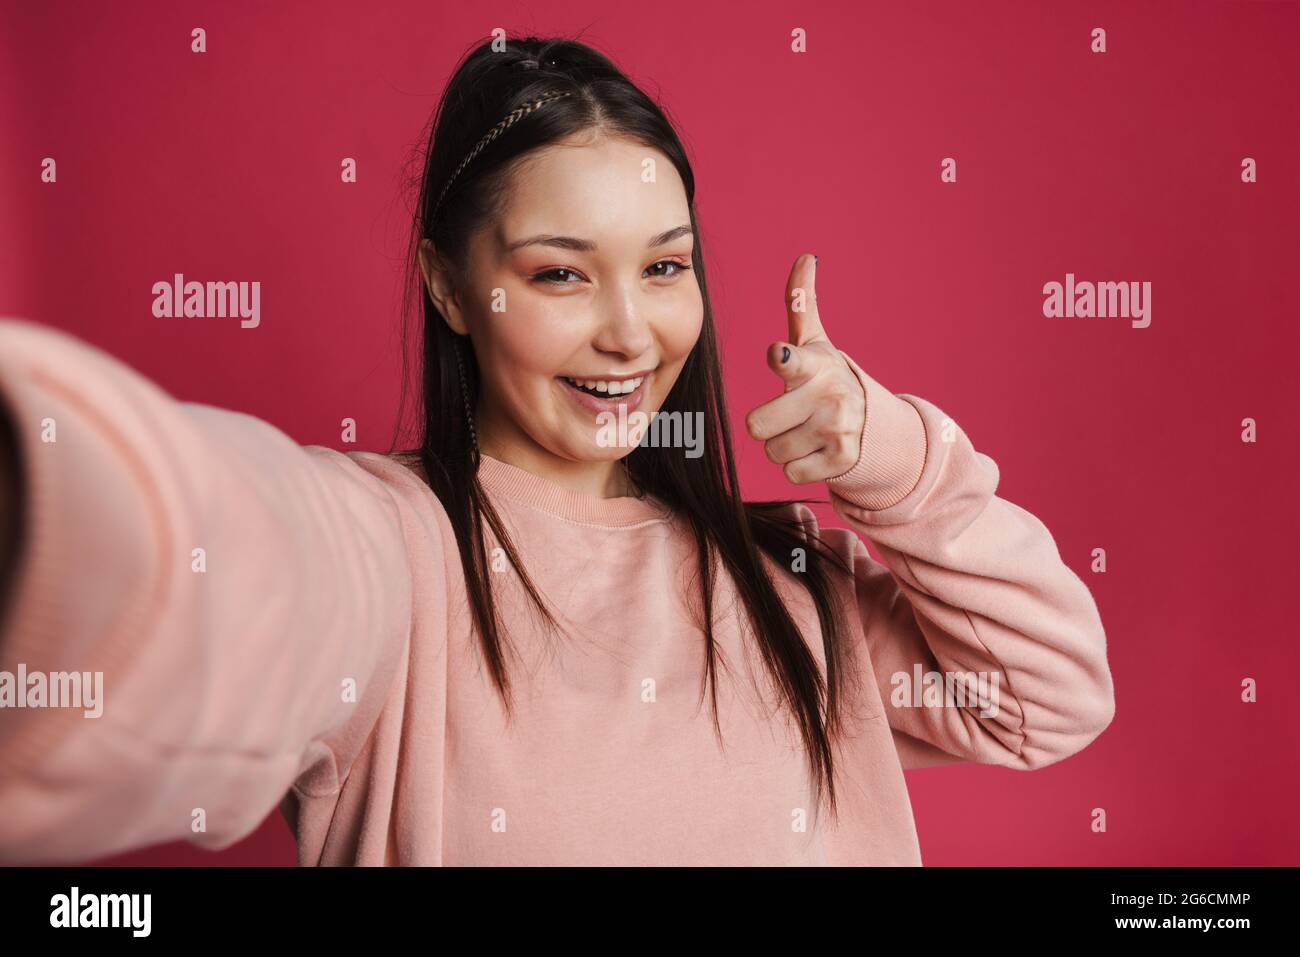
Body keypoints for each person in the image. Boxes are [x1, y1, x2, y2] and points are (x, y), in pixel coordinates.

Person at [0, 36, 1114, 866]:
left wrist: (894, 458)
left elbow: (1045, 696)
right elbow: (227, 558)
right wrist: (43, 462)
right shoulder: (393, 551)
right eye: (560, 273)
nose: (630, 332)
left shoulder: (793, 582)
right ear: (448, 284)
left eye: (665, 267)